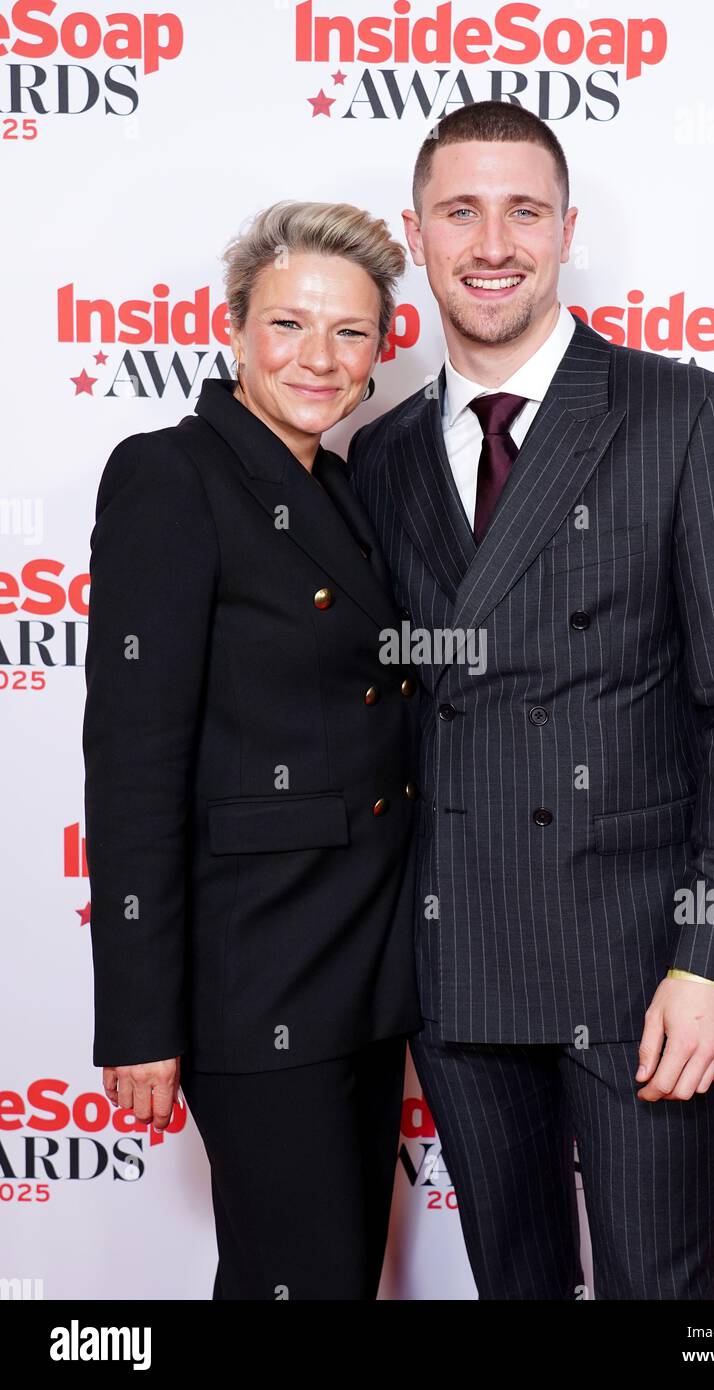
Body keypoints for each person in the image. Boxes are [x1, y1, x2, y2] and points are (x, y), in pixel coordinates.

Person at [348, 101, 714, 1300]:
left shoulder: (688, 416)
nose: (492, 241)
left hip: (639, 964)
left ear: (565, 232)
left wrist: (713, 959)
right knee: (517, 1281)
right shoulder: (379, 453)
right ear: (417, 233)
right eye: (461, 211)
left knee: (666, 1290)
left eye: (523, 211)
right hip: (456, 962)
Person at [83, 200, 422, 1300]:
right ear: (233, 330)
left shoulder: (342, 484)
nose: (319, 359)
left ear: (380, 350)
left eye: (351, 333)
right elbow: (134, 764)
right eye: (288, 325)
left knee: (318, 1278)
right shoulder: (169, 475)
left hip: (365, 975)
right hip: (254, 974)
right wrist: (140, 1020)